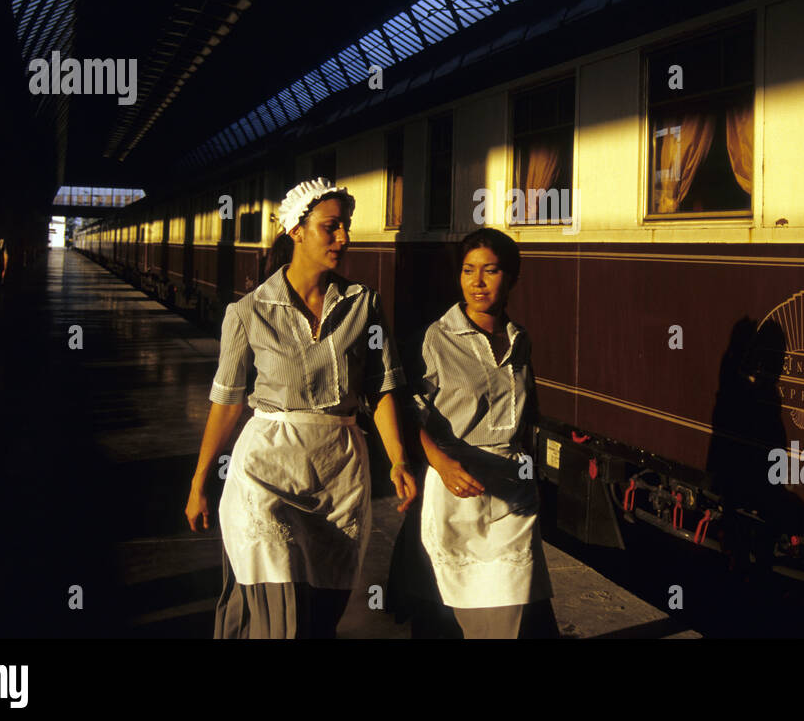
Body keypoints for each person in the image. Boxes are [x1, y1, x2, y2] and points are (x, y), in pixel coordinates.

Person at [185, 178, 417, 638]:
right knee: (276, 598)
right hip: (265, 468)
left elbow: (381, 388)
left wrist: (398, 459)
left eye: (345, 226)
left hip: (340, 473)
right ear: (297, 231)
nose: (344, 238)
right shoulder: (248, 312)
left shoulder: (362, 305)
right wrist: (199, 482)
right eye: (331, 227)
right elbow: (227, 402)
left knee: (319, 610)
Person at [414, 227, 555, 638]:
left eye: (490, 271)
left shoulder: (519, 340)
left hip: (512, 493)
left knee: (511, 610)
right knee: (464, 611)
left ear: (511, 278)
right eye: (468, 271)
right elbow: (412, 413)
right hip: (458, 492)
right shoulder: (436, 339)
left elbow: (528, 415)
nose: (477, 283)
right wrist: (441, 464)